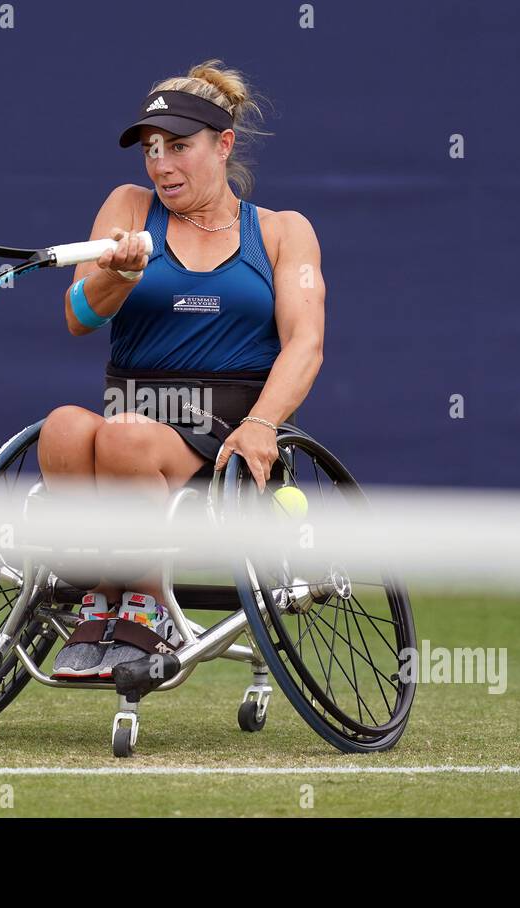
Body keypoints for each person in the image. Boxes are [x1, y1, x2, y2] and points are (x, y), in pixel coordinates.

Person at [38, 60, 325, 679]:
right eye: (151, 149)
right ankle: (99, 592)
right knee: (62, 426)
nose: (161, 164)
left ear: (223, 145)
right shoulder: (130, 205)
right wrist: (119, 273)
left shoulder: (281, 232)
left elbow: (305, 344)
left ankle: (146, 609)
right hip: (135, 407)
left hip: (225, 427)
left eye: (178, 147)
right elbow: (79, 314)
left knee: (125, 436)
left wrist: (263, 424)